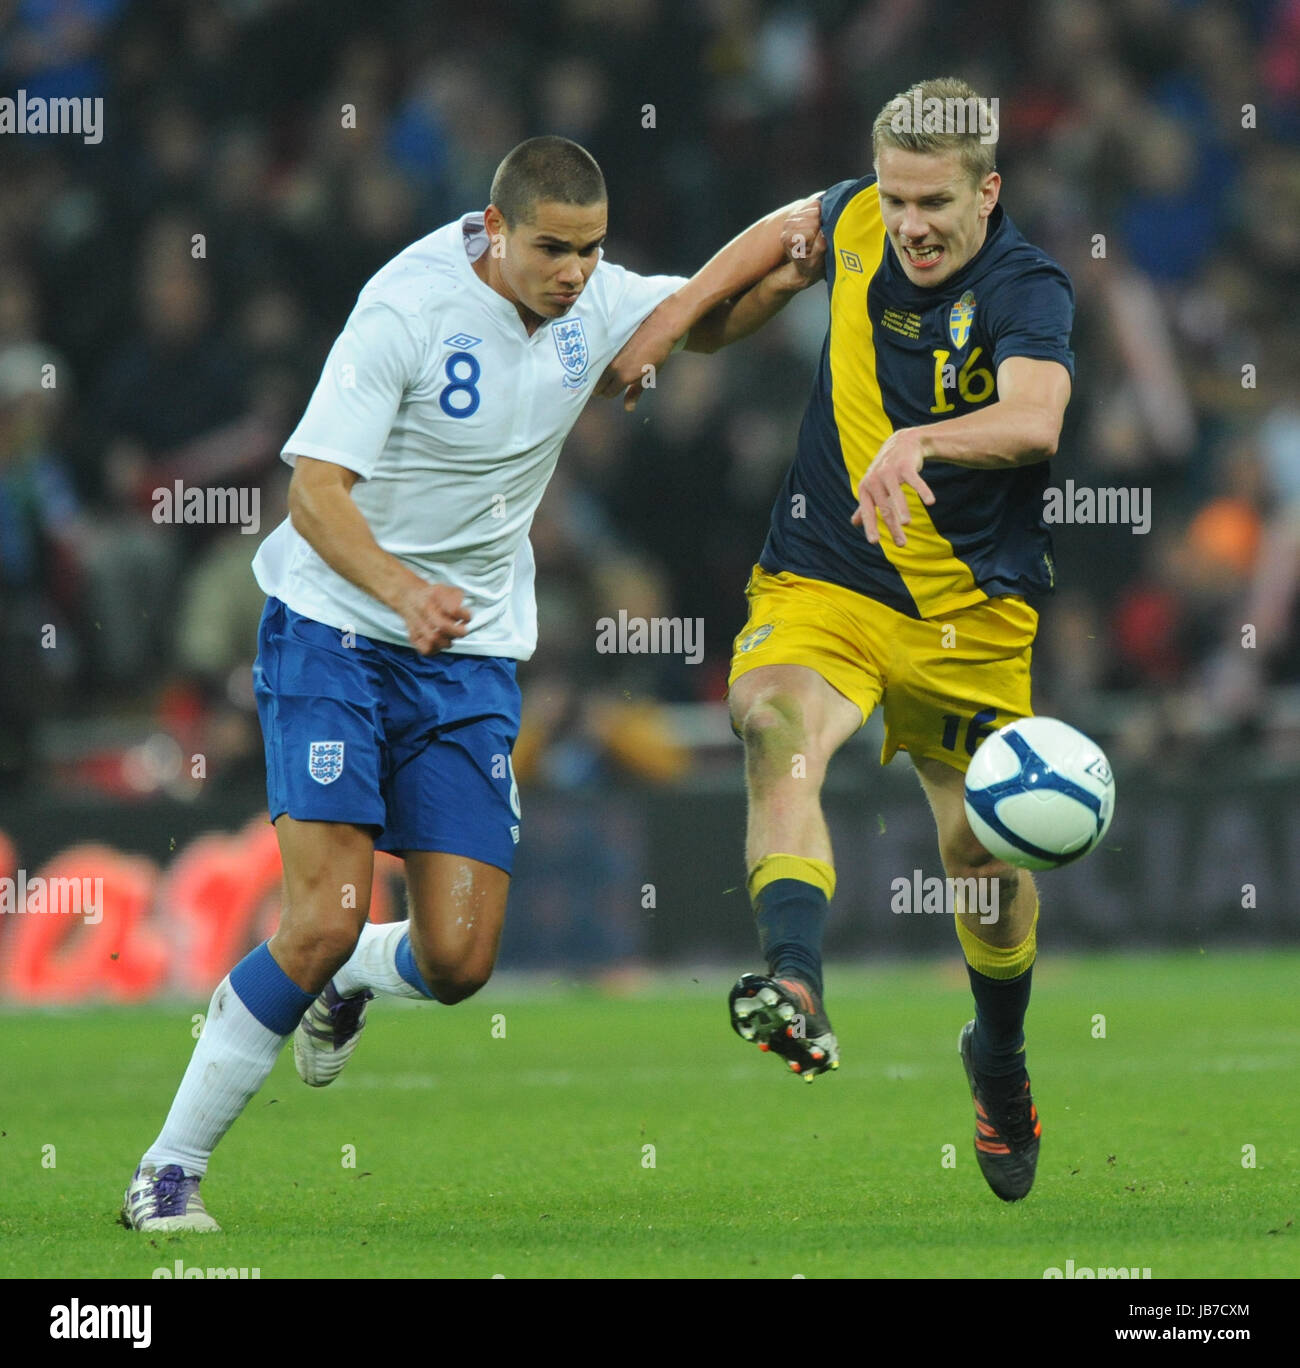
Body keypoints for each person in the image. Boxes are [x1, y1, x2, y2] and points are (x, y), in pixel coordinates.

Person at [121, 135, 826, 1232]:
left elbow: (700, 309)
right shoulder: (406, 306)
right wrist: (400, 590)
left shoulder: (592, 295)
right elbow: (312, 490)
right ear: (496, 231)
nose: (577, 273)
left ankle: (349, 977)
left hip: (469, 656)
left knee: (459, 960)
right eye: (555, 249)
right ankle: (167, 1171)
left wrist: (789, 262)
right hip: (337, 630)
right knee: (319, 913)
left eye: (593, 251)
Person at [604, 77, 1075, 1203]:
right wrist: (666, 324)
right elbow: (780, 233)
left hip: (968, 614)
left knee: (980, 865)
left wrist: (921, 441)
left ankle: (998, 1058)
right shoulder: (858, 214)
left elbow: (1036, 417)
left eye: (934, 204)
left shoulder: (1027, 283)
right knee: (771, 724)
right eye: (896, 197)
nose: (908, 224)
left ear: (987, 191)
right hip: (828, 569)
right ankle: (797, 984)